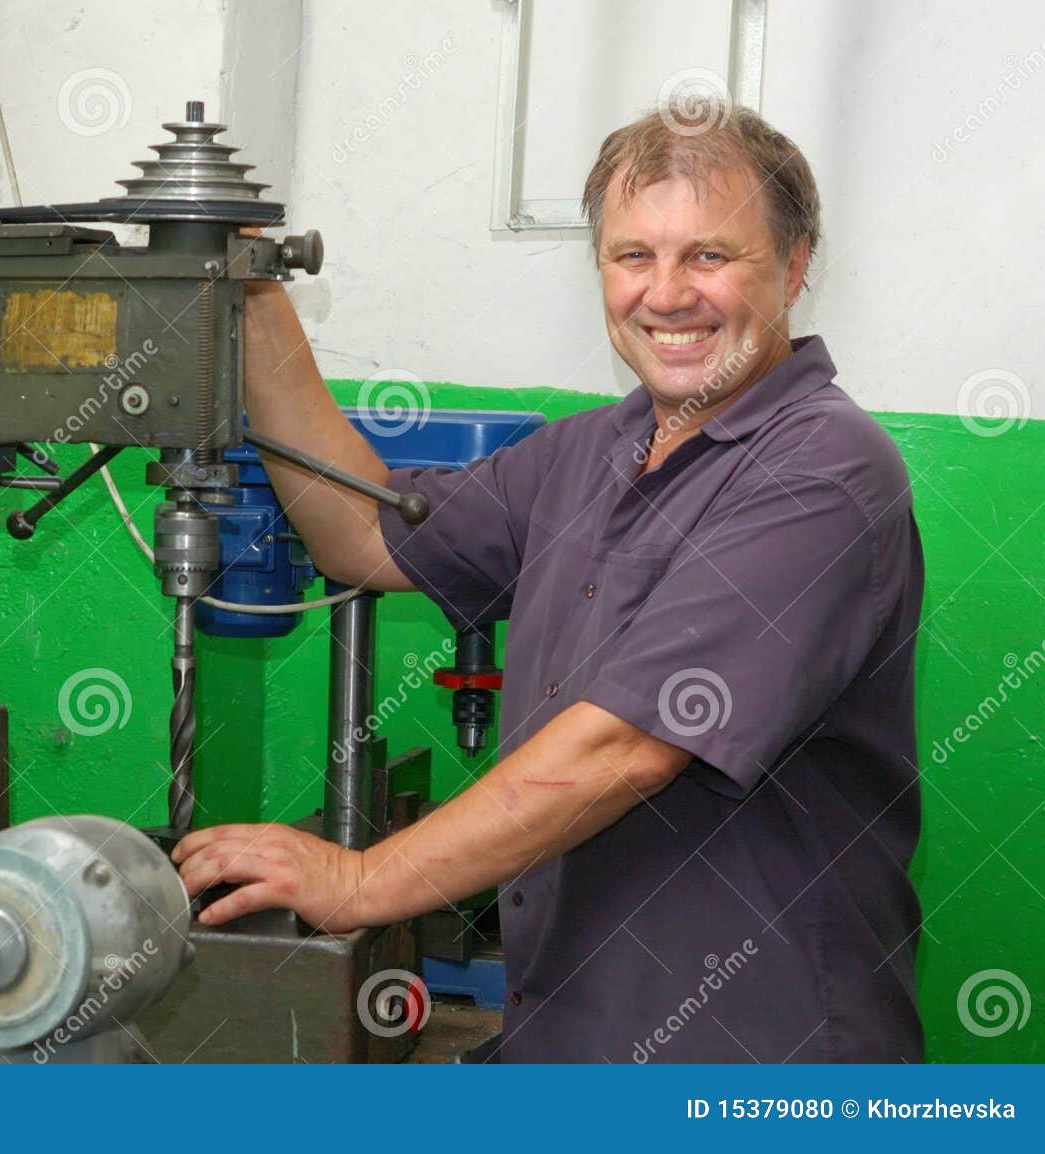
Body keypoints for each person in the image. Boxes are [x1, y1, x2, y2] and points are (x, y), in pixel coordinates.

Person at [171, 105, 924, 1063]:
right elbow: (361, 535)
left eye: (709, 256)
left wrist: (360, 885)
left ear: (796, 264)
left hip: (755, 1050)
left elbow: (628, 746)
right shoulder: (590, 453)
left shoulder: (826, 471)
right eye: (632, 257)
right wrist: (255, 295)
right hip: (570, 1033)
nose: (666, 294)